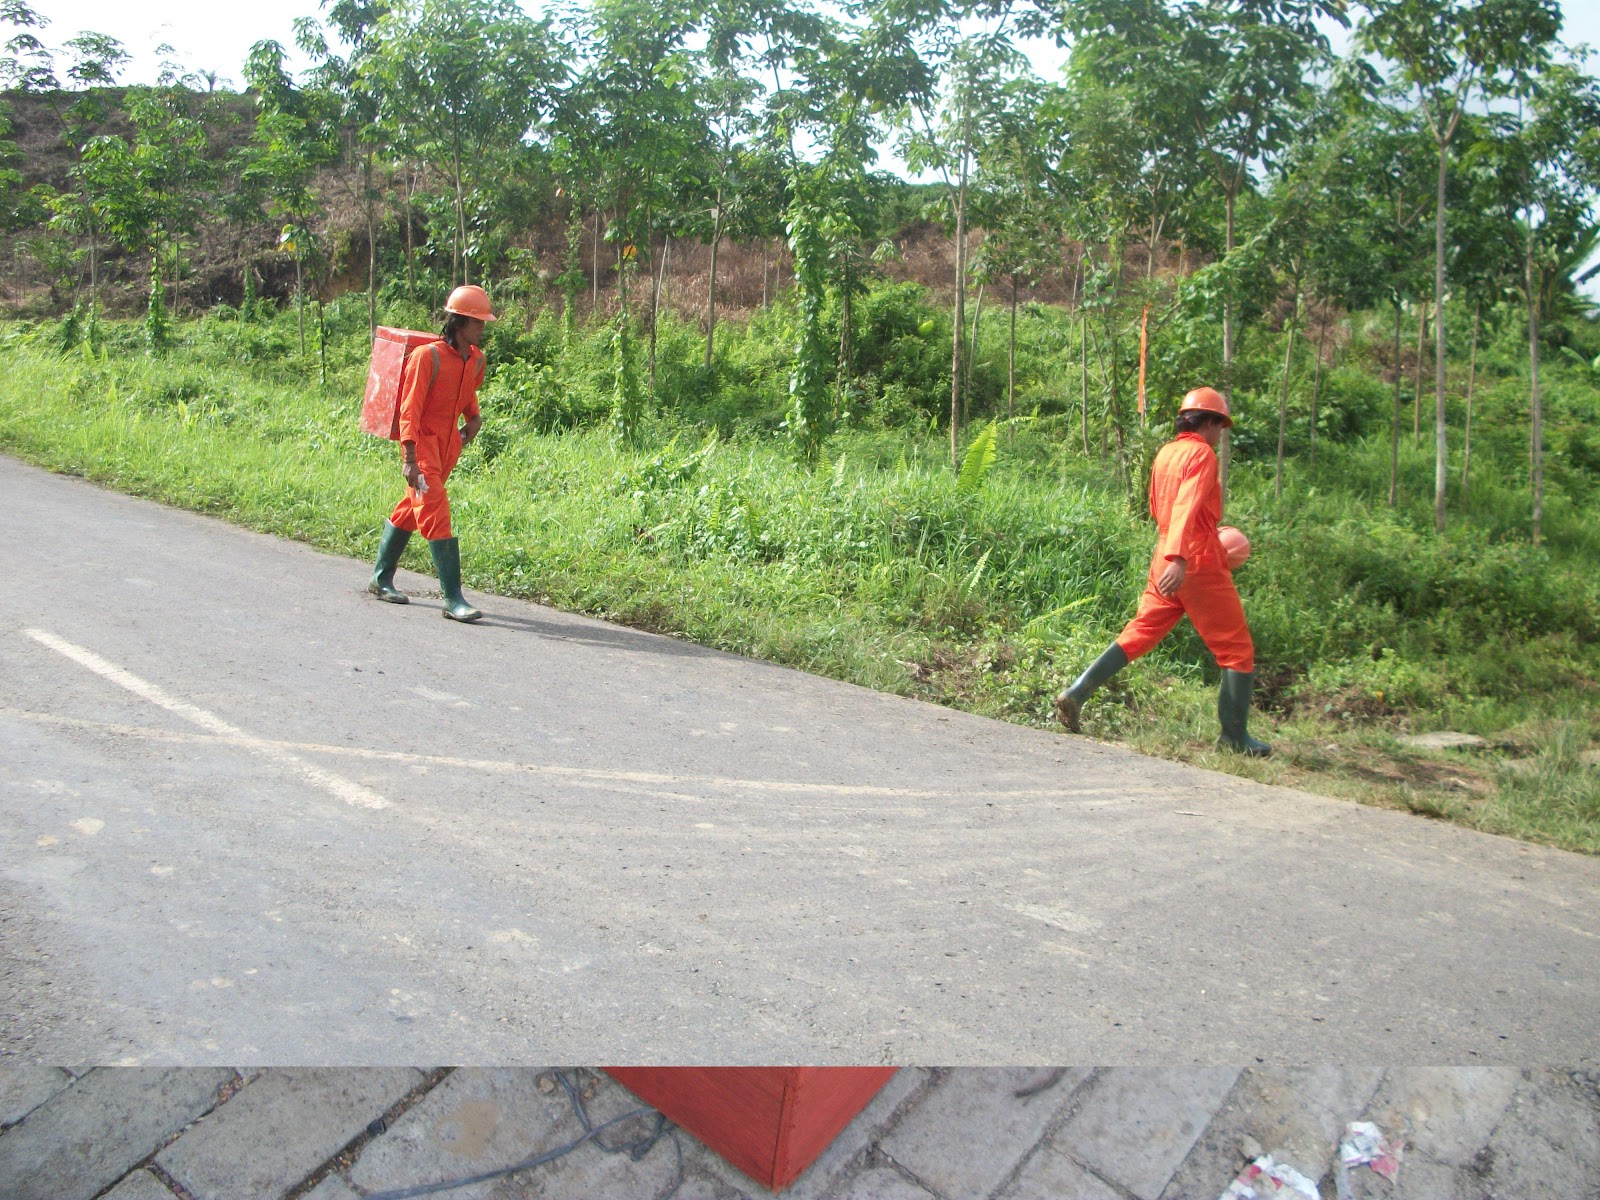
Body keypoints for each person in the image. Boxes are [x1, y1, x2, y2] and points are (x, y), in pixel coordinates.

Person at [1055, 386, 1270, 756]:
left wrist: (1171, 552)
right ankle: (1234, 738)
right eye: (1220, 426)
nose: (1221, 435)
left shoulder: (1167, 453)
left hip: (1165, 554)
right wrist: (1182, 557)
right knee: (1236, 650)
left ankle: (1078, 692)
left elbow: (1159, 507)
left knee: (1141, 630)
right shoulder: (1201, 455)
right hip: (1194, 559)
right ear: (1210, 422)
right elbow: (1187, 506)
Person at [366, 285, 494, 622]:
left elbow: (465, 395)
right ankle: (453, 599)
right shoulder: (428, 357)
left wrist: (474, 418)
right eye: (478, 322)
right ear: (459, 322)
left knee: (412, 507)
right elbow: (410, 410)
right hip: (420, 445)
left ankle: (380, 579)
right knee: (436, 509)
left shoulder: (476, 359)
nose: (483, 328)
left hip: (448, 445)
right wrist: (409, 458)